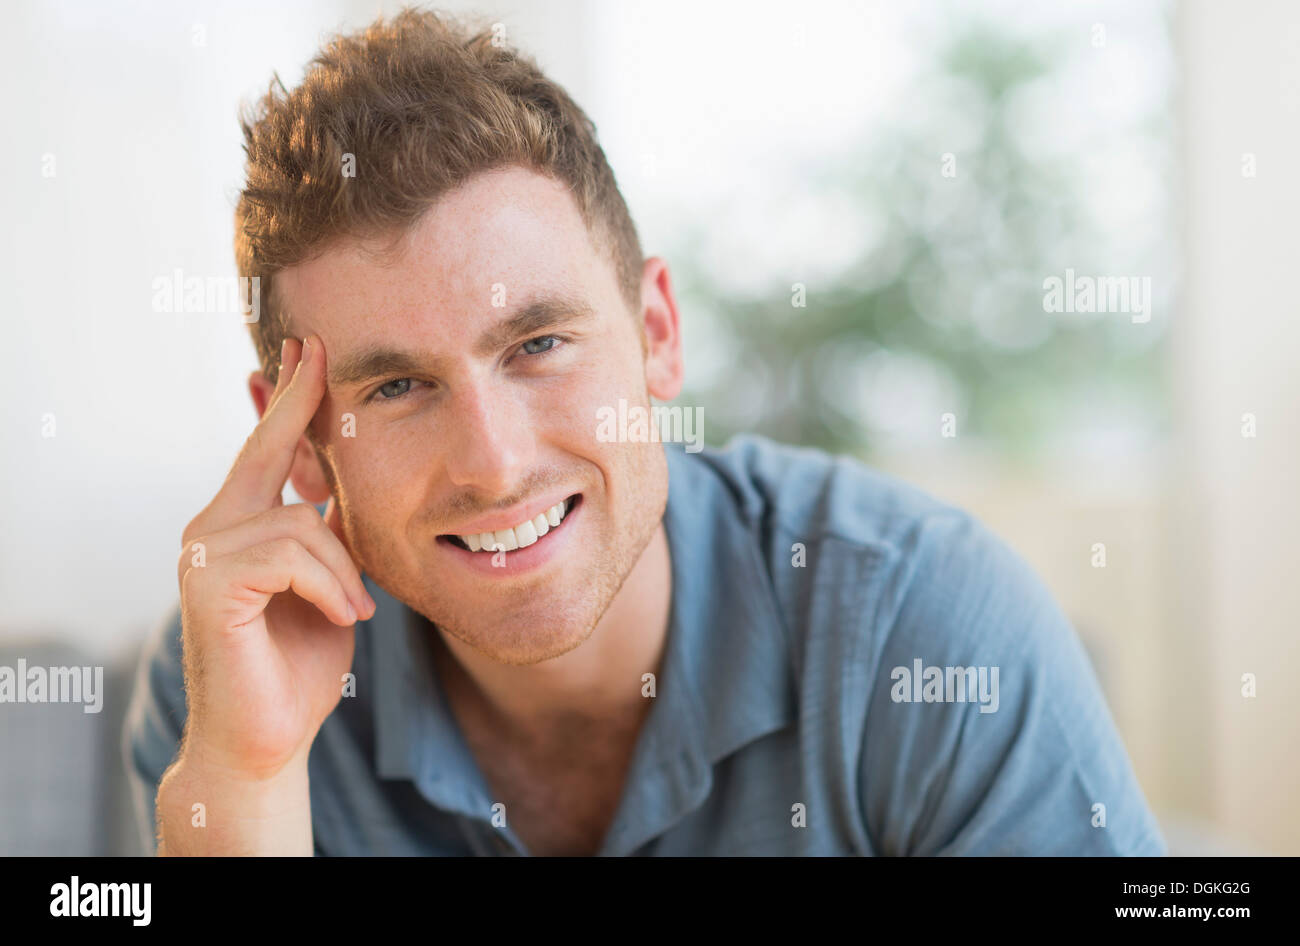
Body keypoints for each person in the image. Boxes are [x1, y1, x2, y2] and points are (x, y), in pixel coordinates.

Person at [123, 7, 1167, 857]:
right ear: (302, 442)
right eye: (397, 386)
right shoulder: (233, 679)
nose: (494, 464)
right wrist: (246, 784)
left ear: (656, 334)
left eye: (537, 344)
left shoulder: (927, 626)